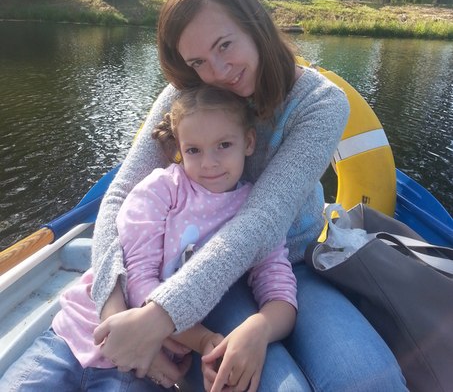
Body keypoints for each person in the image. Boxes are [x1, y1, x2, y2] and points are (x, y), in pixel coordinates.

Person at [92, 0, 408, 391]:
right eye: (198, 61)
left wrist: (158, 318)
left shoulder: (320, 104)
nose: (218, 71)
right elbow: (120, 195)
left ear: (254, 23)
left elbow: (262, 220)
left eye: (224, 45)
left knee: (370, 379)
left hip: (292, 265)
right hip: (195, 270)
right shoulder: (186, 98)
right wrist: (115, 311)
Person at [0, 85, 297, 392]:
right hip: (77, 333)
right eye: (194, 150)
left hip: (145, 365)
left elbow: (281, 292)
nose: (209, 162)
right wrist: (202, 340)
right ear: (180, 148)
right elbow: (137, 280)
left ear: (249, 142)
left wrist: (259, 327)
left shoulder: (257, 213)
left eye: (223, 145)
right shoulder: (161, 189)